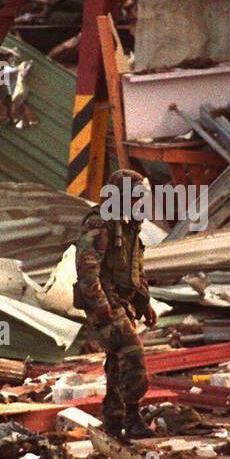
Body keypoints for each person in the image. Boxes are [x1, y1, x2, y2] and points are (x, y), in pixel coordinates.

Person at [74, 169, 157, 440]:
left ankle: (114, 424)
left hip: (123, 302)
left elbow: (135, 269)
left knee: (117, 361)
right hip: (105, 302)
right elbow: (87, 268)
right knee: (133, 355)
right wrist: (99, 305)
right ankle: (132, 418)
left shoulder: (129, 224)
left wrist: (145, 304)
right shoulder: (100, 222)